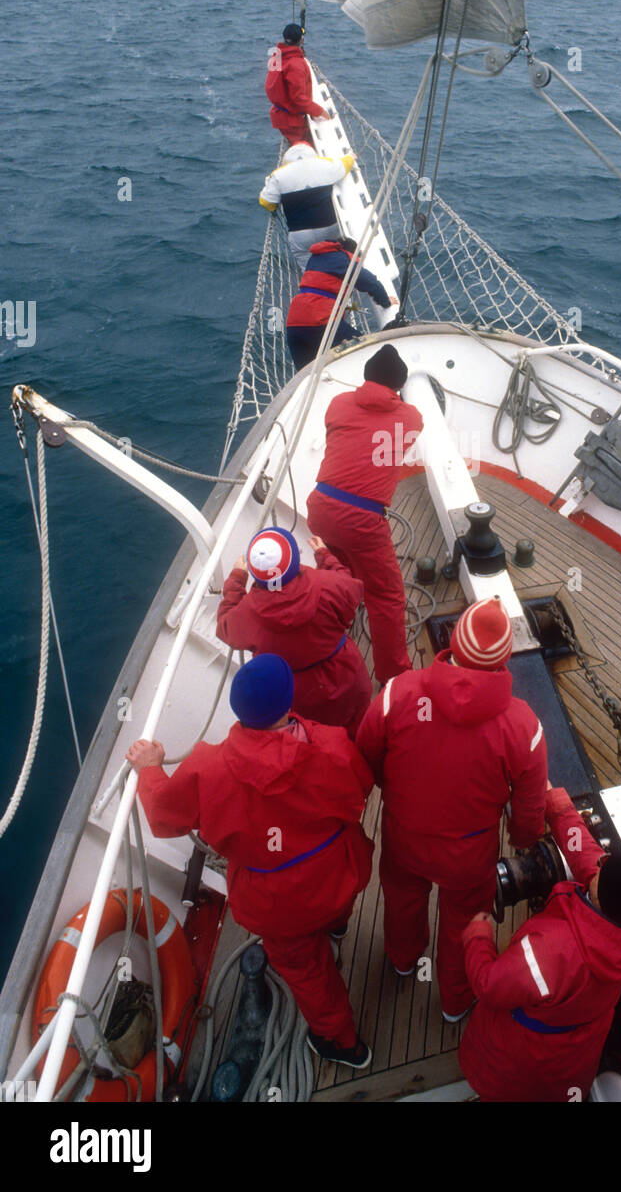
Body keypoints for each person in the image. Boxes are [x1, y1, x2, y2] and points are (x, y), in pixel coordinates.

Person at [127, 654, 374, 1068]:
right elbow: (359, 794)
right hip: (338, 875)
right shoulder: (332, 744)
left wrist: (150, 770)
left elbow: (164, 817)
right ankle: (337, 924)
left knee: (310, 974)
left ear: (239, 710)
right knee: (332, 907)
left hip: (278, 906)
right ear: (289, 698)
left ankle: (343, 1043)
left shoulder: (208, 769)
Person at [355, 597, 549, 1021]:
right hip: (469, 854)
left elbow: (365, 758)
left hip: (405, 837)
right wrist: (523, 839)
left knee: (403, 899)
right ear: (504, 658)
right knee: (465, 923)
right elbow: (530, 807)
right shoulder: (524, 726)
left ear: (454, 643)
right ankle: (455, 1002)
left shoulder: (397, 694)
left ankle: (404, 960)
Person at [458, 784, 621, 1102]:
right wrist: (555, 802)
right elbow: (582, 850)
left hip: (520, 1063)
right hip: (570, 1060)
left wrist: (478, 935)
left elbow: (491, 985)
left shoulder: (549, 952)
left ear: (603, 892)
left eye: (604, 867)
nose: (600, 863)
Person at [306, 344, 423, 684]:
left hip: (321, 507)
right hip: (363, 520)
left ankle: (323, 652)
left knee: (334, 579)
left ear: (366, 377)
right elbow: (405, 433)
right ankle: (395, 677)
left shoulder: (337, 404)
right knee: (385, 596)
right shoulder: (410, 417)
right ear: (398, 386)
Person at [216, 527, 373, 739]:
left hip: (301, 697)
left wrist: (236, 579)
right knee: (364, 727)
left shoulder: (247, 613)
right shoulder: (327, 584)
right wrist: (326, 557)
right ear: (294, 561)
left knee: (320, 740)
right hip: (347, 676)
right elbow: (351, 587)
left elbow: (225, 627)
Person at [285, 238, 394, 371]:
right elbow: (371, 283)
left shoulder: (315, 258)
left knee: (307, 375)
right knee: (368, 351)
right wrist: (386, 302)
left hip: (293, 323)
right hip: (320, 320)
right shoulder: (344, 259)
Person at [259, 142, 355, 267]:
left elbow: (266, 202)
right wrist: (351, 157)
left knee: (308, 267)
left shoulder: (278, 175)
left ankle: (314, 284)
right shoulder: (324, 164)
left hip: (299, 233)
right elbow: (344, 165)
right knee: (335, 260)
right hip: (329, 226)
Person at [265, 23, 329, 145]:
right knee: (304, 152)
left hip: (281, 115)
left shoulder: (277, 56)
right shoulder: (296, 65)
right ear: (301, 40)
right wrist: (319, 111)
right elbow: (298, 98)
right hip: (292, 121)